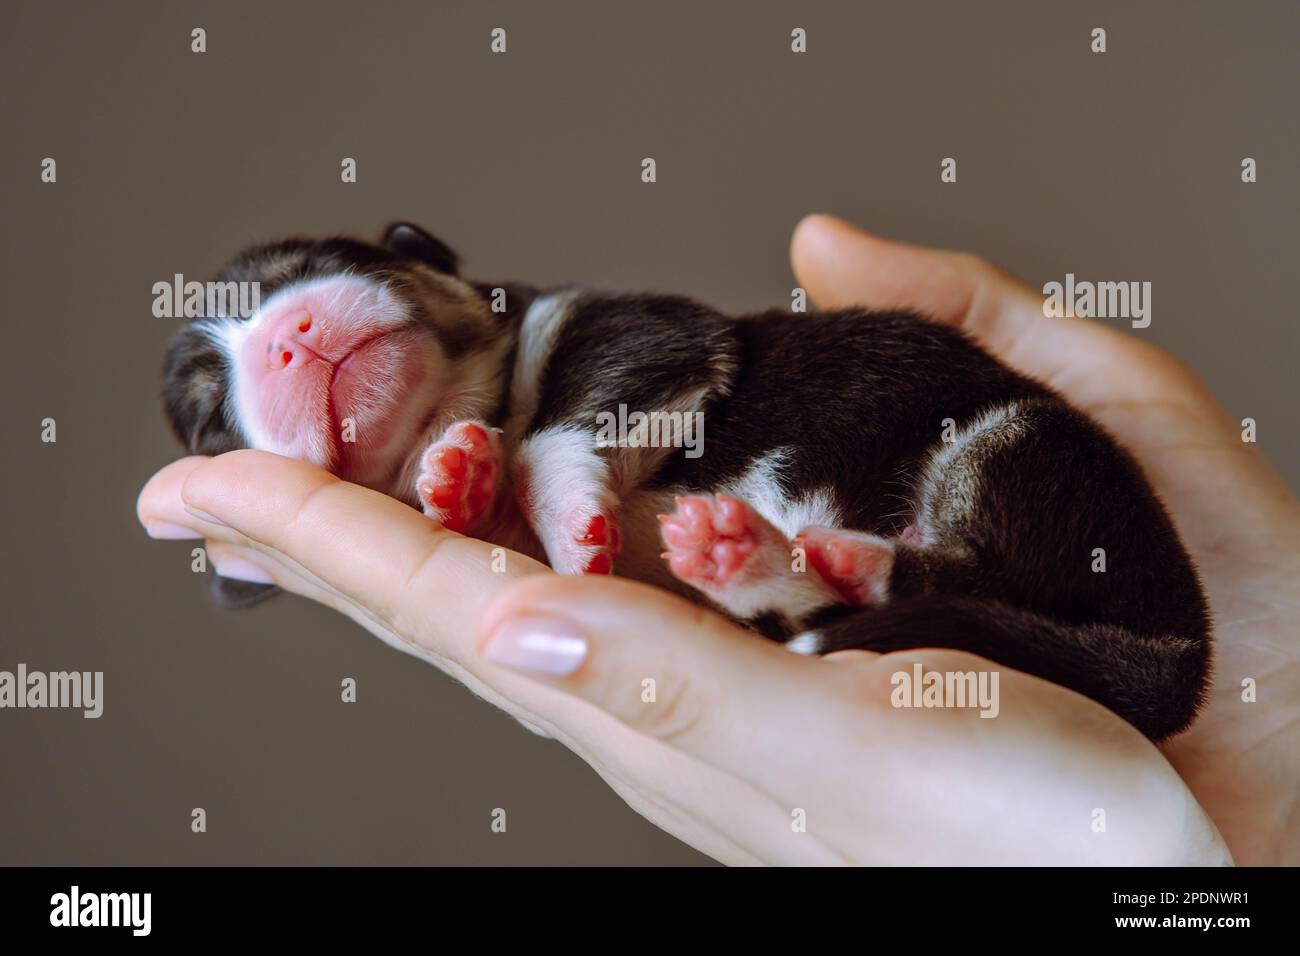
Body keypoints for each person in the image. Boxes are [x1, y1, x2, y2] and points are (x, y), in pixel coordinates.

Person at [138, 214, 1300, 865]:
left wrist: (561, 456)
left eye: (297, 285)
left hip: (944, 470)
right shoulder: (466, 493)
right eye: (219, 391)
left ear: (428, 266)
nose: (276, 345)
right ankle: (876, 592)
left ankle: (932, 584)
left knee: (1005, 453)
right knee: (805, 631)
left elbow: (688, 356)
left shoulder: (572, 333)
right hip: (877, 585)